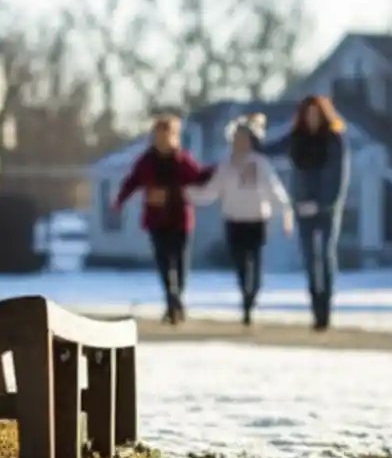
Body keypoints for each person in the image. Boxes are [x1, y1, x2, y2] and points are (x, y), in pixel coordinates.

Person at [185, 113, 293, 326]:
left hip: (257, 219)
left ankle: (252, 294)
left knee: (255, 260)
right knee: (240, 262)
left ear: (251, 140)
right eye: (235, 137)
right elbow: (211, 191)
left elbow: (275, 190)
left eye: (242, 137)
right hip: (234, 219)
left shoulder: (260, 163)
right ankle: (246, 298)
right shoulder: (226, 165)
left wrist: (286, 214)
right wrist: (189, 194)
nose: (238, 142)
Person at [112, 115, 214, 324]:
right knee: (164, 264)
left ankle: (176, 301)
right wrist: (120, 200)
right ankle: (172, 303)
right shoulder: (146, 161)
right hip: (157, 220)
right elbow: (132, 181)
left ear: (175, 137)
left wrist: (219, 170)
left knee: (181, 264)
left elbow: (198, 177)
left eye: (167, 135)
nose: (163, 140)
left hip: (180, 219)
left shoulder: (182, 160)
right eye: (158, 135)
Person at [270, 95, 351, 331]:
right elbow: (272, 148)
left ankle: (325, 309)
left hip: (327, 207)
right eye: (308, 114)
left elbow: (339, 177)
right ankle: (315, 307)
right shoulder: (297, 139)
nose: (312, 118)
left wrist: (326, 204)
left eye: (316, 114)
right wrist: (250, 136)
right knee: (308, 258)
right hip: (302, 205)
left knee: (325, 255)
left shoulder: (334, 140)